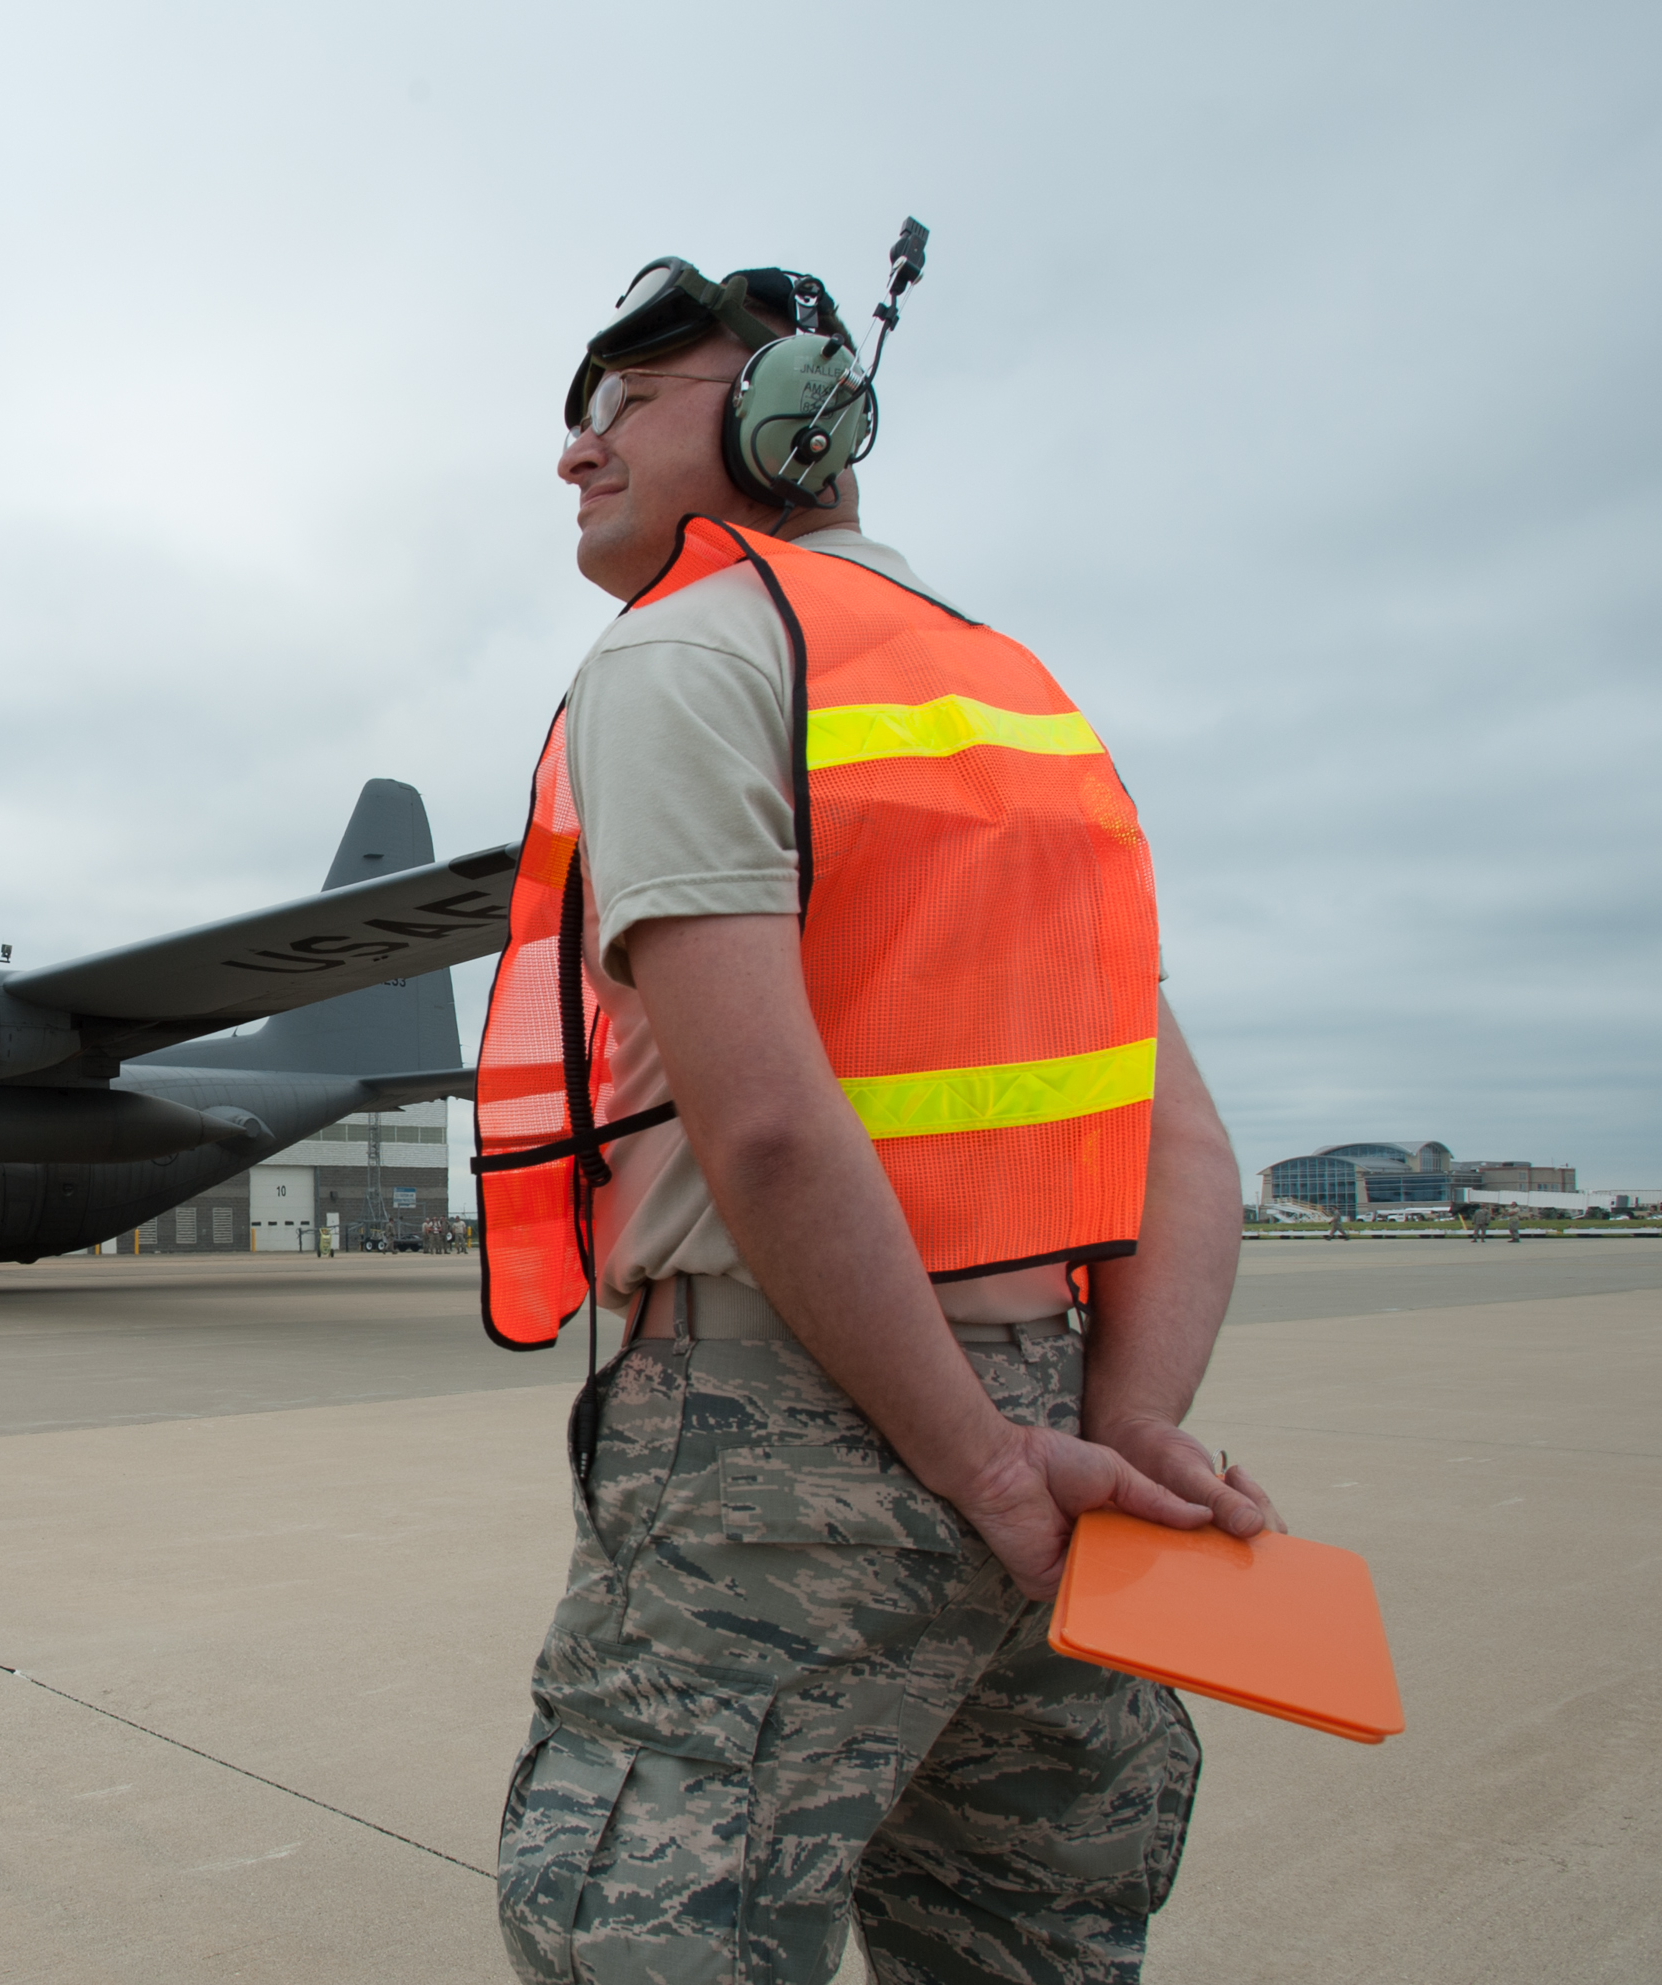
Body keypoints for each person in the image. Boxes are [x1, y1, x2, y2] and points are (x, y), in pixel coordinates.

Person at [479, 249, 1280, 1985]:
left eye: (622, 400)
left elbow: (763, 1123)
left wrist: (981, 1466)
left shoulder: (690, 651)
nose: (575, 450)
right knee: (1031, 1942)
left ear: (789, 419)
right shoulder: (1016, 701)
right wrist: (1115, 1435)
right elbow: (1185, 1140)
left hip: (795, 1433)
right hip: (1061, 1426)